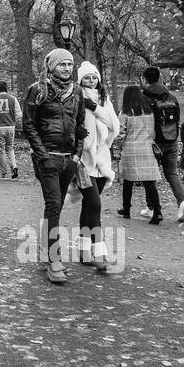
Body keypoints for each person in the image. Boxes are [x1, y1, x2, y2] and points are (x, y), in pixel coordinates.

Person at [22, 48, 87, 285]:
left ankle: (44, 252)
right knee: (52, 205)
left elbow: (81, 124)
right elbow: (28, 125)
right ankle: (53, 260)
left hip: (69, 159)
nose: (67, 69)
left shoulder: (76, 91)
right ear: (51, 66)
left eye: (70, 65)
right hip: (47, 158)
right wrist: (43, 155)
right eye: (62, 65)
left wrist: (77, 154)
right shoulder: (37, 89)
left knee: (56, 207)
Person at [75, 61, 119, 272]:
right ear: (80, 79)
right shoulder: (75, 96)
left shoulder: (103, 99)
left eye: (94, 77)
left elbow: (113, 125)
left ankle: (83, 252)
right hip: (83, 161)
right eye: (86, 77)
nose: (91, 81)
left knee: (88, 206)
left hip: (102, 159)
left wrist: (94, 107)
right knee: (95, 204)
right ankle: (100, 254)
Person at [142, 66, 184, 223]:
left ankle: (152, 208)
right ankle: (183, 202)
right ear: (160, 78)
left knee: (149, 176)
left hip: (154, 143)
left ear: (144, 79)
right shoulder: (172, 97)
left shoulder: (145, 98)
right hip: (172, 140)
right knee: (172, 174)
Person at [112, 85, 162, 222]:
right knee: (149, 182)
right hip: (147, 149)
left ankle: (126, 209)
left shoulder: (125, 113)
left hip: (130, 149)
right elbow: (153, 131)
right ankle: (157, 211)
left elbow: (120, 134)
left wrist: (119, 146)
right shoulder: (149, 112)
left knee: (128, 181)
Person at [0, 81, 21, 179]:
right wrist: (14, 121)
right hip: (11, 126)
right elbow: (19, 114)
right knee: (10, 148)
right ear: (6, 88)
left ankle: (4, 173)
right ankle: (14, 166)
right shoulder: (13, 99)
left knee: (1, 150)